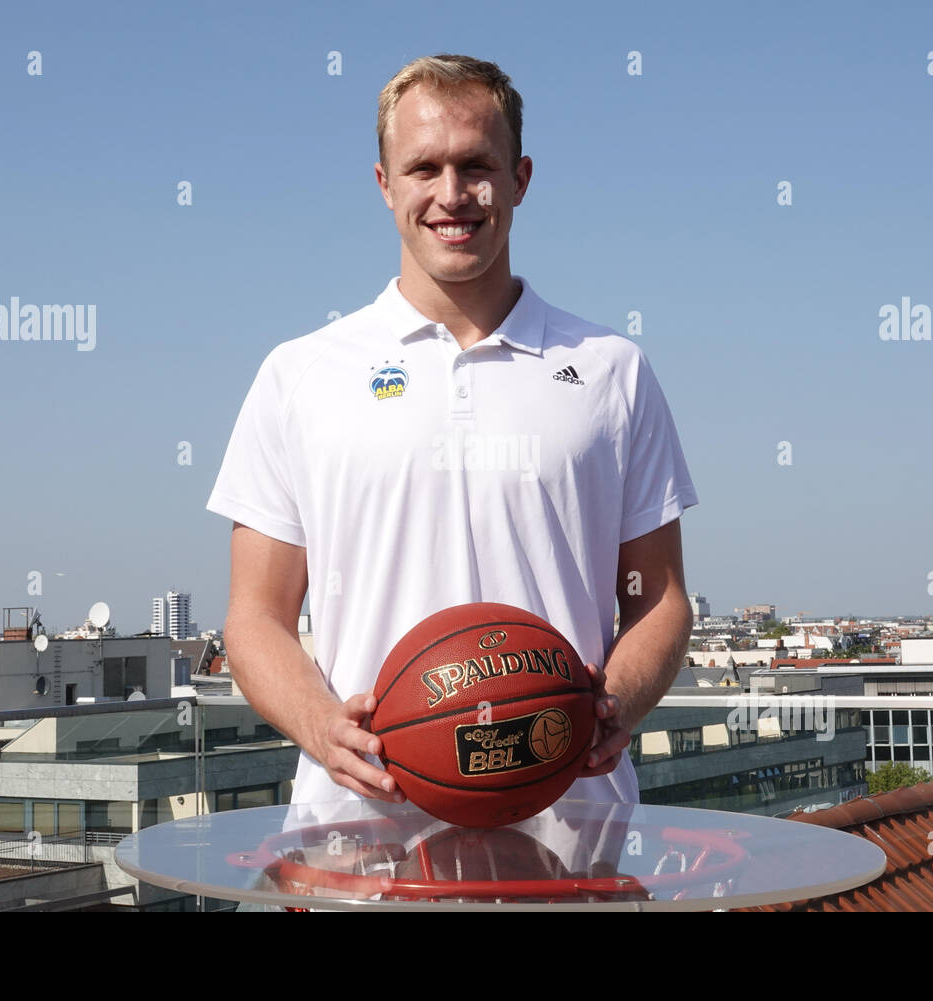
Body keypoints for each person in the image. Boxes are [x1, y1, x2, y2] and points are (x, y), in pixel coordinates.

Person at [207, 53, 696, 811]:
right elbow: (255, 615)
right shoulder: (298, 374)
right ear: (384, 184)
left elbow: (660, 599)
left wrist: (615, 702)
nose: (451, 194)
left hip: (572, 828)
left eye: (476, 165)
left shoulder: (611, 371)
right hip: (361, 836)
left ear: (521, 178)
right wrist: (319, 724)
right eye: (423, 168)